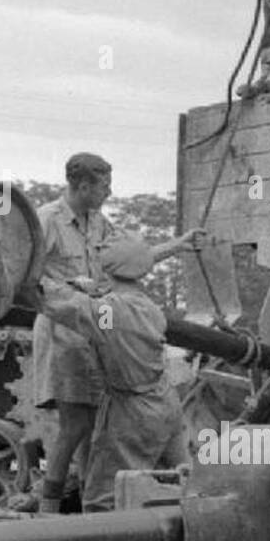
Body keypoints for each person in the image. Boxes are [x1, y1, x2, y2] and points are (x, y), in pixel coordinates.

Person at [35, 236, 202, 512]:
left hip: (133, 413)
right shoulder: (150, 308)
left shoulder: (108, 311)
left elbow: (49, 298)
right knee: (184, 482)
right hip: (167, 403)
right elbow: (111, 314)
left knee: (104, 502)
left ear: (107, 270)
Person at [32, 153, 116, 514]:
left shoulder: (99, 223)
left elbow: (127, 258)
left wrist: (177, 246)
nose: (109, 193)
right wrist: (69, 283)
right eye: (104, 186)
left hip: (91, 330)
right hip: (61, 328)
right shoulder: (47, 220)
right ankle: (48, 511)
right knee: (75, 424)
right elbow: (27, 277)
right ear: (82, 186)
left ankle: (86, 508)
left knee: (95, 424)